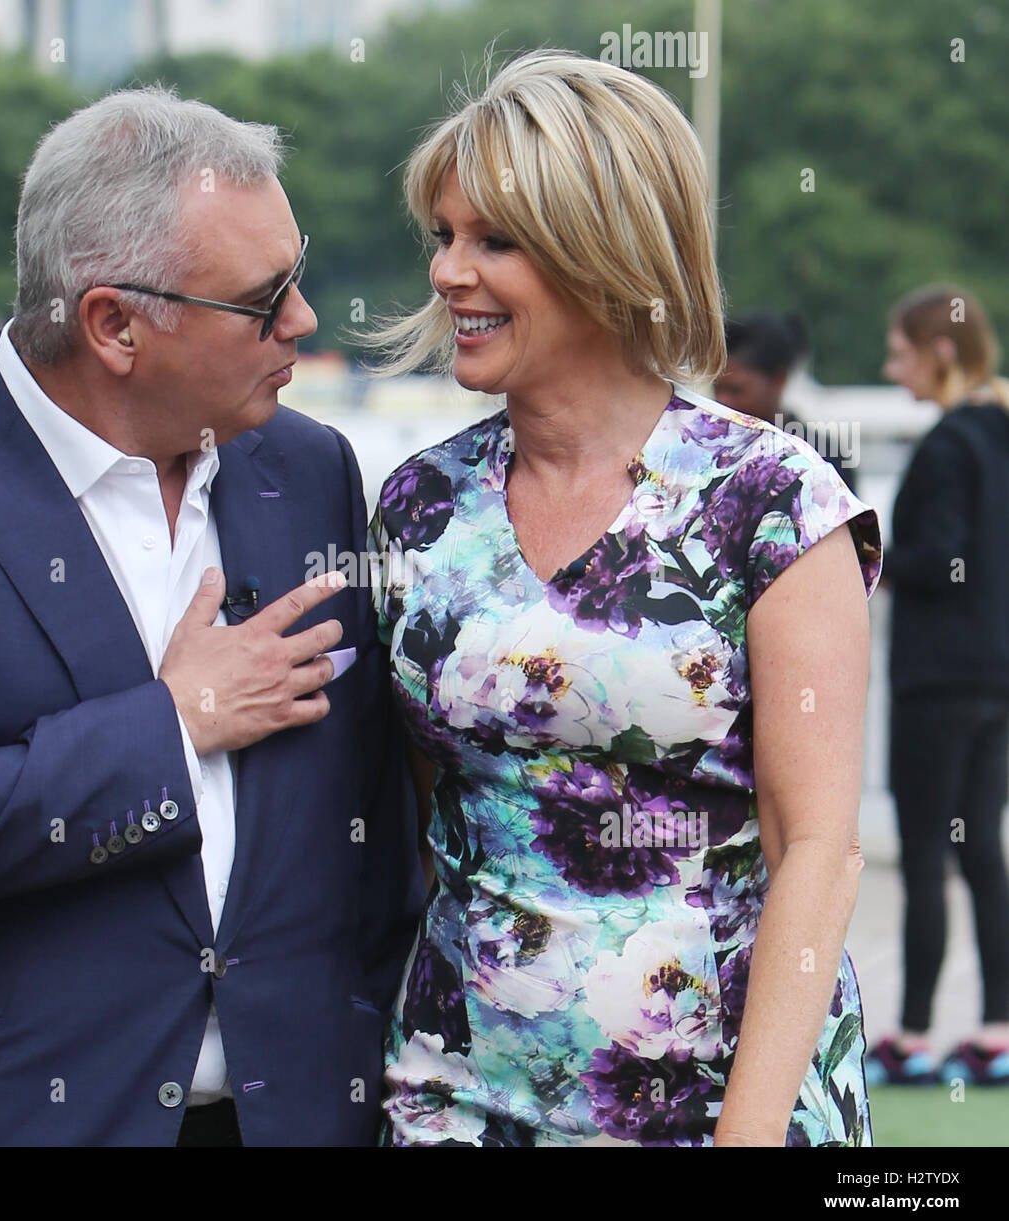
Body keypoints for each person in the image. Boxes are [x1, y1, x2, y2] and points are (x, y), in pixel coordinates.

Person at [0, 87, 423, 1146]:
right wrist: (176, 723)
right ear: (115, 324)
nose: (302, 322)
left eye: (293, 277)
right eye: (264, 301)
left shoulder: (306, 469)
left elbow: (367, 831)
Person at [365, 50, 882, 1146]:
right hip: (457, 1104)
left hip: (714, 1107)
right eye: (443, 237)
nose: (450, 272)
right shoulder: (419, 508)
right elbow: (423, 817)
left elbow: (819, 850)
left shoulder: (771, 503)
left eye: (493, 240)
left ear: (601, 250)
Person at [867, 284, 1009, 1087]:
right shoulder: (1001, 433)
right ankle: (996, 1030)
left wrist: (872, 557)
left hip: (937, 679)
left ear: (942, 350)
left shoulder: (951, 443)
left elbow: (942, 556)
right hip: (996, 673)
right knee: (982, 850)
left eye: (901, 352)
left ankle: (914, 1032)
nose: (894, 370)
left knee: (926, 850)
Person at [715, 312, 859, 492]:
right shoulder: (711, 448)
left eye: (736, 390)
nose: (722, 401)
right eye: (716, 388)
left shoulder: (820, 456)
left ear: (778, 380)